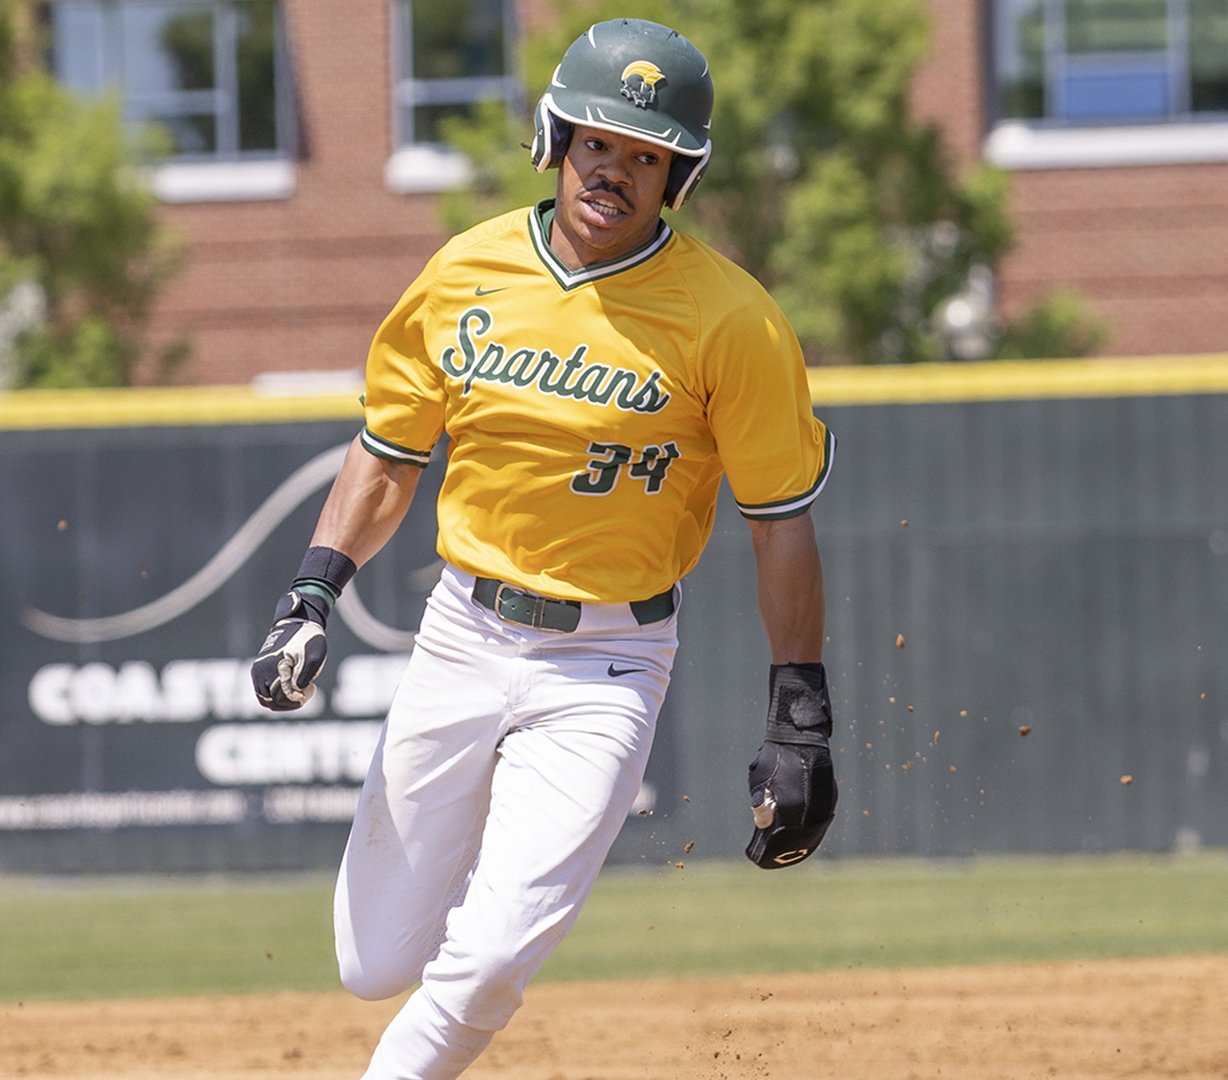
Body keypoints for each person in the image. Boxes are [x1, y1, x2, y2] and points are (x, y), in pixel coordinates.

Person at [250, 18, 837, 1079]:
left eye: (646, 156)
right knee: (371, 964)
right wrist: (310, 595)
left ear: (678, 178)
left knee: (482, 969)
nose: (614, 172)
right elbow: (387, 457)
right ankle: (473, 907)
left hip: (605, 665)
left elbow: (779, 524)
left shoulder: (729, 319)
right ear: (556, 139)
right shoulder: (465, 270)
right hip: (461, 634)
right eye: (598, 142)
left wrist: (801, 713)